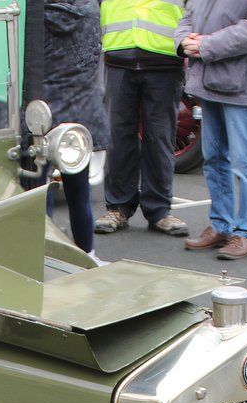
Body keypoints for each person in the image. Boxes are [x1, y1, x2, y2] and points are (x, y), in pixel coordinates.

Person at [175, 0, 247, 259]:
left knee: (243, 164)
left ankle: (245, 232)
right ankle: (221, 226)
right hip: (209, 80)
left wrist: (206, 45)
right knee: (213, 159)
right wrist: (183, 41)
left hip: (242, 85)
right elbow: (187, 16)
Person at [93, 0, 189, 238]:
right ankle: (118, 207)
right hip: (118, 57)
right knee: (118, 137)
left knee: (160, 137)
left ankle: (159, 210)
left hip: (164, 59)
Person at [27, 0, 107, 254]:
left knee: (40, 190)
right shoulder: (91, 10)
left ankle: (44, 253)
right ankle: (88, 254)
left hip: (43, 111)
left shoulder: (33, 13)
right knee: (79, 194)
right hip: (81, 111)